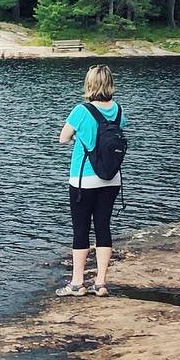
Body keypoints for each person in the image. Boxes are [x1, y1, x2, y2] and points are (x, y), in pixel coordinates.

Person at [55, 63, 126, 297]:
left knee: (81, 229)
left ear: (90, 84)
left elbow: (63, 139)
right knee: (103, 227)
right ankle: (101, 283)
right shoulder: (118, 110)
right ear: (110, 84)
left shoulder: (81, 111)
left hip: (83, 179)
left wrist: (79, 134)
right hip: (111, 178)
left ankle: (77, 283)